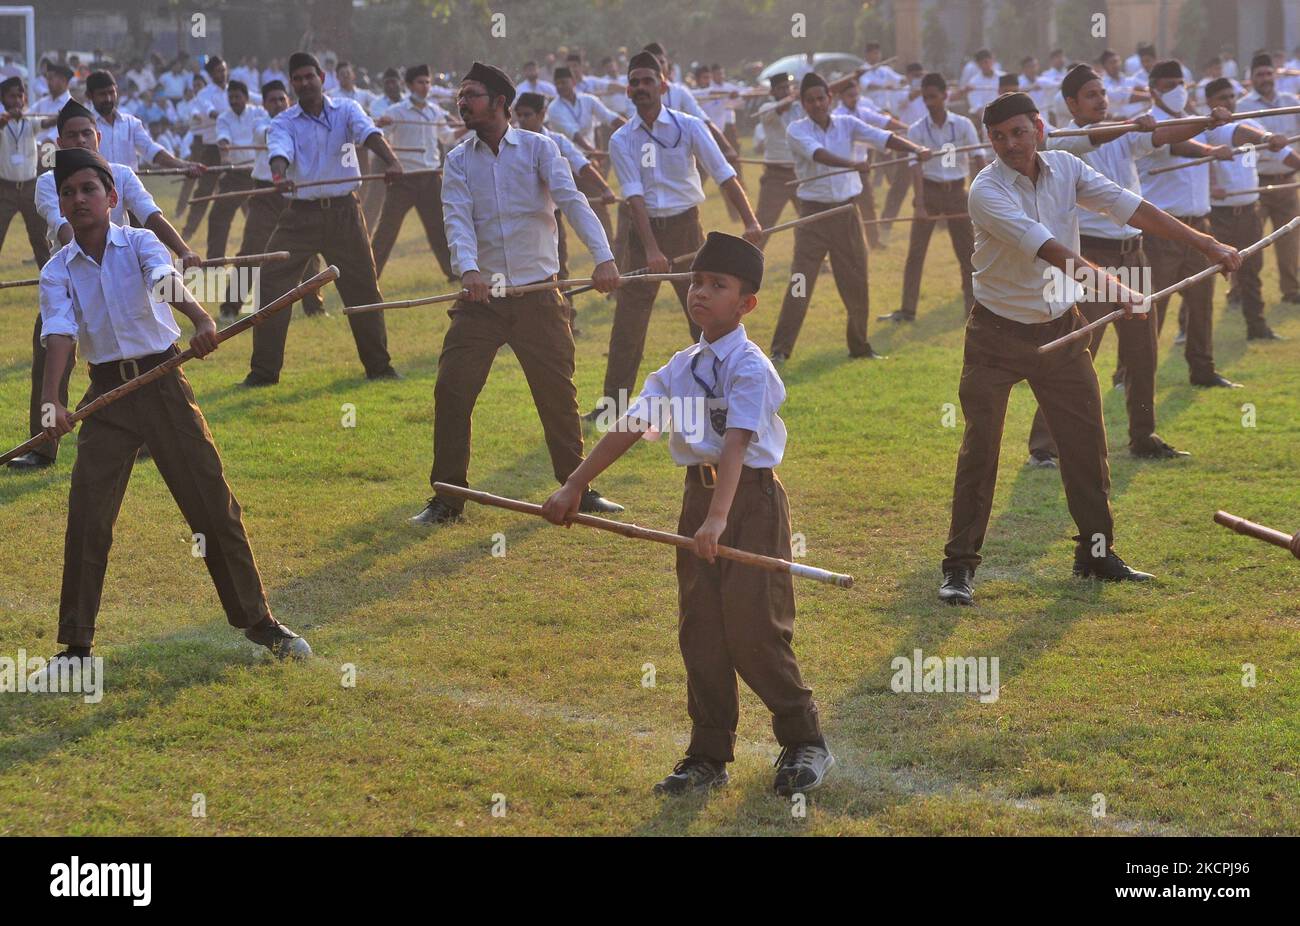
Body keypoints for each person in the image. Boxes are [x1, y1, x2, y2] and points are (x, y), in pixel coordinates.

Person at [542, 232, 832, 798]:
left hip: (748, 500)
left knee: (754, 629)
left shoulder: (752, 367)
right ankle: (707, 754)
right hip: (699, 502)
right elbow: (633, 423)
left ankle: (804, 741)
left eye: (717, 286)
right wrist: (576, 485)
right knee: (701, 629)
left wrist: (719, 519)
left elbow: (737, 443)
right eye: (696, 282)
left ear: (745, 303)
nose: (700, 293)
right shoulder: (681, 366)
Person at [939, 92, 1241, 607]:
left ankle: (1096, 554)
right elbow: (1049, 249)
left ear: (1038, 126)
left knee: (1085, 443)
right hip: (995, 336)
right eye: (999, 137)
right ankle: (959, 567)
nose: (1011, 144)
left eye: (1018, 131)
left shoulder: (1066, 167)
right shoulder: (985, 190)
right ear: (991, 141)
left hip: (1062, 327)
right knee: (981, 448)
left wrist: (1206, 245)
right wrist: (1119, 290)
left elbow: (1134, 208)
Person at [35, 147, 311, 673]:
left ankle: (259, 622)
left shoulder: (138, 241)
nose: (78, 199)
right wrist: (53, 401)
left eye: (88, 189)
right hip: (107, 396)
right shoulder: (57, 270)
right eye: (67, 192)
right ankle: (74, 649)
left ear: (112, 197)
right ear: (61, 204)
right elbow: (60, 334)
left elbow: (164, 279)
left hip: (163, 381)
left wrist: (201, 317)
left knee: (211, 501)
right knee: (88, 518)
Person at [409, 62, 624, 526]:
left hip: (539, 295)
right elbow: (457, 219)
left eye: (473, 95)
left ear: (501, 102)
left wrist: (603, 258)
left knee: (557, 394)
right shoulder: (458, 159)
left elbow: (572, 202)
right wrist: (469, 270)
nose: (462, 102)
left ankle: (578, 490)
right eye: (460, 95)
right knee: (452, 389)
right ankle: (447, 498)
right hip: (481, 301)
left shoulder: (539, 149)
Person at [1025, 63, 1233, 468]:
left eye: (1103, 94)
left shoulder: (1125, 137)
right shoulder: (1063, 144)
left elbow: (1163, 135)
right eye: (1091, 95)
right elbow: (1097, 137)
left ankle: (1143, 436)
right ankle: (1044, 447)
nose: (1101, 101)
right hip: (1087, 261)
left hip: (1131, 255)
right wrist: (1129, 125)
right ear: (1072, 103)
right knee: (1076, 351)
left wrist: (1205, 122)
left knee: (1142, 350)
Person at [13, 99, 201, 474]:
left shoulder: (120, 174)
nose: (80, 139)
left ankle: (147, 436)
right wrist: (81, 263)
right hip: (69, 281)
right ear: (59, 142)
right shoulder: (49, 184)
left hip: (124, 277)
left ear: (97, 136)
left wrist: (183, 250)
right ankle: (45, 442)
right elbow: (67, 229)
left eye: (86, 133)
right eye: (72, 135)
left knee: (138, 354)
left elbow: (150, 214)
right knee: (52, 352)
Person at [588, 50, 761, 420]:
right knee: (629, 323)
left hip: (687, 229)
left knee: (706, 314)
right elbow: (633, 196)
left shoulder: (689, 125)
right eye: (634, 82)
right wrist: (651, 249)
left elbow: (723, 172)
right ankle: (612, 406)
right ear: (628, 90)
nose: (640, 88)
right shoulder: (622, 138)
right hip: (643, 232)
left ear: (664, 84)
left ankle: (716, 398)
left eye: (648, 81)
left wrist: (751, 221)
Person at [246, 52, 404, 386]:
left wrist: (391, 161)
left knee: (363, 288)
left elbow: (368, 133)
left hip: (345, 212)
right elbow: (279, 151)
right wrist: (279, 175)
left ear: (321, 77)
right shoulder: (283, 121)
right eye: (298, 79)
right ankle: (263, 374)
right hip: (299, 217)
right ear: (293, 83)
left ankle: (379, 367)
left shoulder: (346, 110)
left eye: (309, 76)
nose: (304, 83)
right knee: (271, 285)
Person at [769, 71, 930, 363]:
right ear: (803, 104)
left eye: (821, 98)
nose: (817, 104)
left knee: (856, 281)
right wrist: (853, 164)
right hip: (813, 216)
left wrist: (915, 149)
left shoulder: (847, 123)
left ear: (829, 98)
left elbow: (882, 137)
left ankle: (859, 347)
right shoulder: (796, 129)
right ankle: (780, 350)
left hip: (846, 212)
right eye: (811, 100)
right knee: (800, 282)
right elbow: (817, 155)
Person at [1137, 59, 1246, 388]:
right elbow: (1174, 142)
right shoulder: (1147, 125)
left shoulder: (1195, 119)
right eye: (1168, 86)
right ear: (1153, 90)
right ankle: (1132, 375)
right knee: (1151, 308)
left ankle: (1203, 370)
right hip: (1162, 231)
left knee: (1201, 305)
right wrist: (1211, 144)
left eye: (1180, 84)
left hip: (1200, 228)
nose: (1176, 91)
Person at [881, 72, 981, 322]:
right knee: (916, 253)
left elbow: (977, 158)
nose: (929, 102)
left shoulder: (963, 125)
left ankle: (975, 309)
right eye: (925, 98)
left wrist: (981, 195)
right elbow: (914, 165)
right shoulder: (917, 130)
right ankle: (907, 310)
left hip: (957, 192)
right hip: (930, 191)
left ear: (945, 96)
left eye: (934, 97)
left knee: (967, 253)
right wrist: (920, 203)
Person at [1204, 75, 1297, 341]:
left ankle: (1257, 327)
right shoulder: (1204, 128)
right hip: (1216, 214)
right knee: (1203, 276)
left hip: (1247, 210)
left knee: (1252, 270)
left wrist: (1289, 154)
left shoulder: (1248, 124)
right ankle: (1188, 328)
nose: (1229, 102)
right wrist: (1268, 136)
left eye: (1232, 97)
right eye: (1223, 98)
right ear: (1210, 102)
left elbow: (1283, 155)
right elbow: (1237, 135)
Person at [370, 63, 460, 280]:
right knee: (386, 232)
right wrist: (378, 125)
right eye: (420, 82)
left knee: (439, 228)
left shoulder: (435, 111)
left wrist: (470, 126)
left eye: (428, 82)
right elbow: (377, 136)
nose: (425, 86)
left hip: (430, 177)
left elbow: (446, 137)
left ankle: (453, 273)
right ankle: (370, 277)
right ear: (409, 85)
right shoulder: (395, 112)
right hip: (404, 179)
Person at [1235, 53, 1300, 304]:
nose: (1265, 79)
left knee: (1290, 240)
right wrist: (1249, 173)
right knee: (1249, 241)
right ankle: (1239, 290)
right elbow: (1244, 149)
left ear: (1275, 75)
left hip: (1287, 180)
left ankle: (1291, 291)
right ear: (1251, 78)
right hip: (1257, 183)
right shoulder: (1244, 106)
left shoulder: (1290, 102)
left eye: (1268, 74)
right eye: (1260, 75)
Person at [0, 76, 52, 273]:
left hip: (30, 188)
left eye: (20, 95)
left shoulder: (30, 120)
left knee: (40, 240)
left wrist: (63, 115)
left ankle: (51, 284)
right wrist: (5, 120)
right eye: (11, 96)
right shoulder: (2, 121)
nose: (16, 100)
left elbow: (47, 122)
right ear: (3, 99)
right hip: (4, 190)